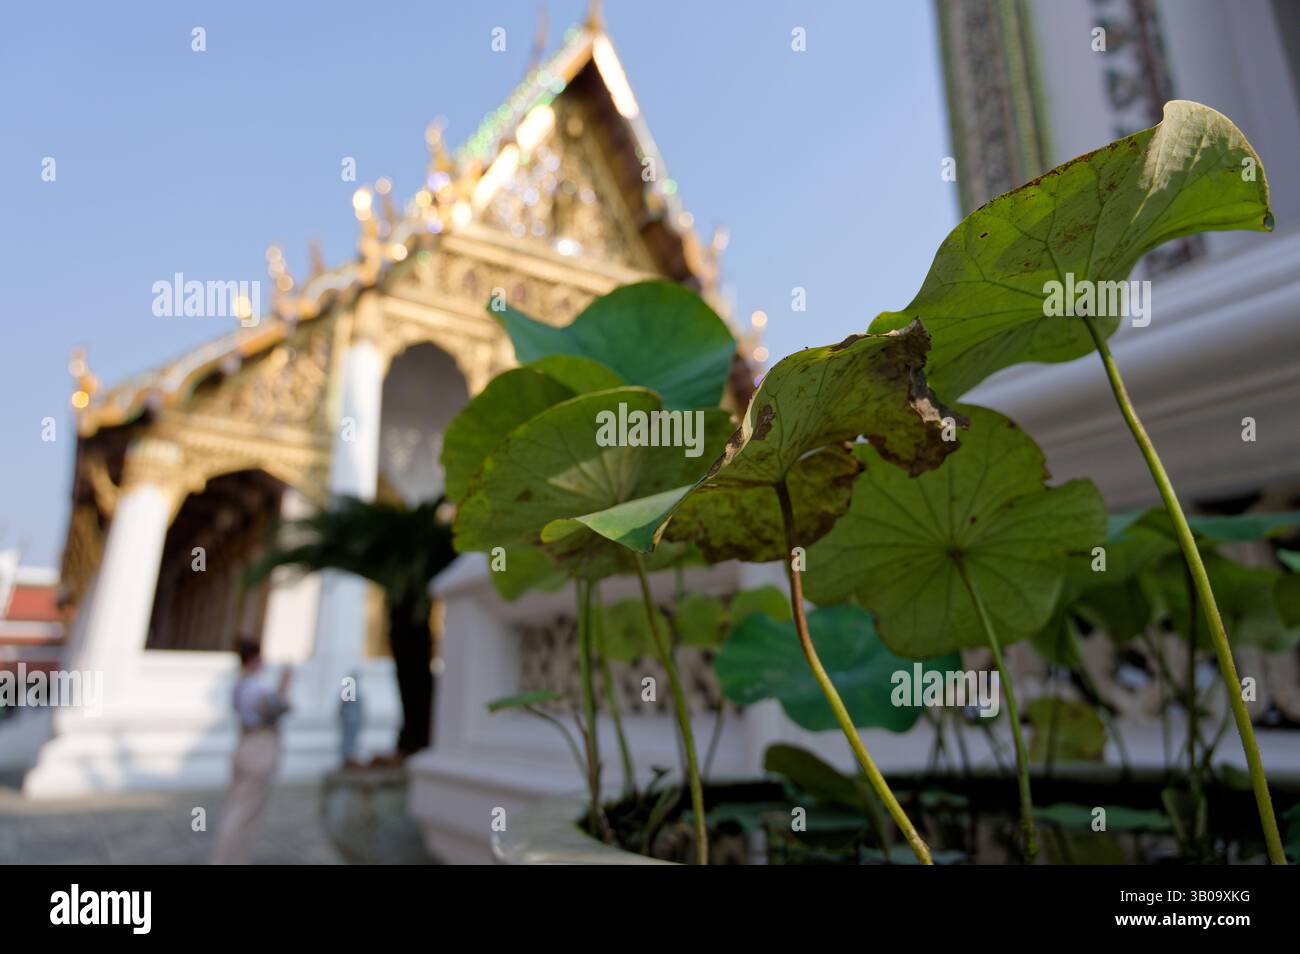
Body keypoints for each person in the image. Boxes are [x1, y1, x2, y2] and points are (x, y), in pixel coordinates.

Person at [211, 639, 292, 864]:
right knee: (244, 812)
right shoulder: (254, 688)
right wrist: (285, 684)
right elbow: (278, 708)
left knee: (236, 807)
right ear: (255, 659)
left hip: (245, 745)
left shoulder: (240, 684)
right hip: (259, 748)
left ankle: (230, 858)